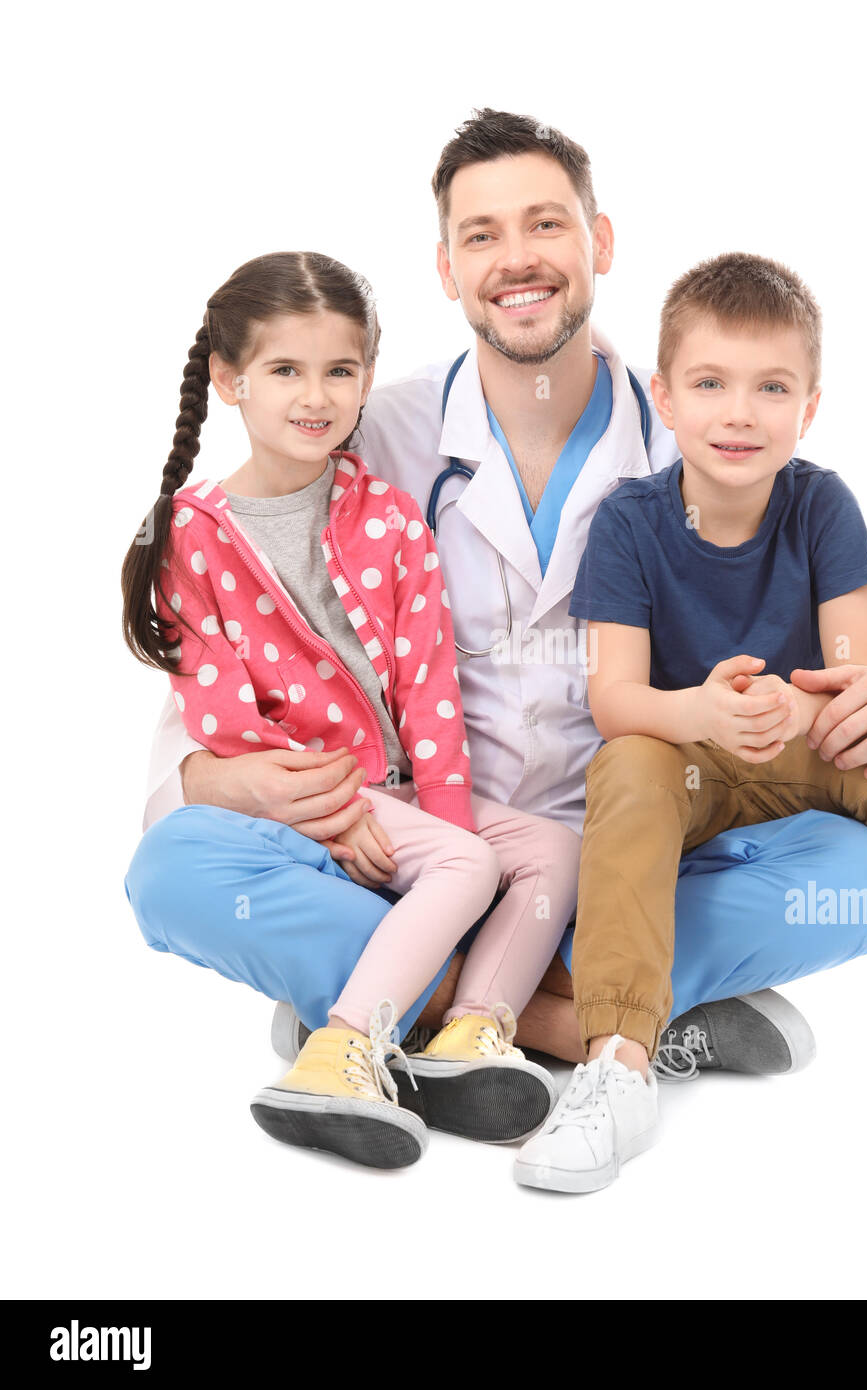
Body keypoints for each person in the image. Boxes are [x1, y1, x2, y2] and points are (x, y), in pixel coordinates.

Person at [126, 109, 867, 1106]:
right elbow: (249, 619)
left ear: (599, 242)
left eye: (546, 225)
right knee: (175, 865)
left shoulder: (694, 418)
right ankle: (576, 1018)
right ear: (445, 268)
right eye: (480, 235)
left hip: (637, 858)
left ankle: (395, 999)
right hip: (409, 845)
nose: (515, 259)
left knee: (860, 878)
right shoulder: (368, 424)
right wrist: (219, 778)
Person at [514, 251, 867, 1193]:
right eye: (709, 384)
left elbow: (856, 669)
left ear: (808, 405)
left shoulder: (821, 504)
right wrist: (698, 709)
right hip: (683, 753)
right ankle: (616, 1063)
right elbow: (614, 698)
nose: (738, 413)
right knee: (627, 763)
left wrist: (800, 700)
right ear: (664, 396)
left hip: (791, 744)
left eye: (770, 387)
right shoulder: (628, 525)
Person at [121, 251, 581, 1168]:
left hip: (404, 795)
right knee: (458, 866)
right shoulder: (192, 536)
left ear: (366, 377)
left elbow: (428, 691)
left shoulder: (391, 518)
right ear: (229, 378)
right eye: (287, 369)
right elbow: (223, 721)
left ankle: (469, 1035)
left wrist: (445, 826)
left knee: (545, 852)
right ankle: (343, 1051)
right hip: (310, 802)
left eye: (341, 371)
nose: (316, 395)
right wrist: (343, 819)